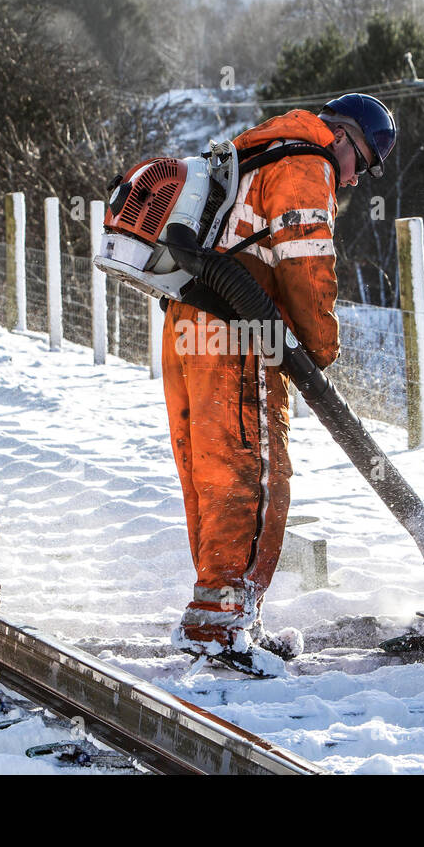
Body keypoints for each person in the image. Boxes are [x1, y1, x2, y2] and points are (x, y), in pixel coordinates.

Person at [162, 93, 397, 671]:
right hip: (239, 332)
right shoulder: (305, 161)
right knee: (255, 475)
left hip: (189, 325)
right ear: (342, 137)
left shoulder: (254, 150)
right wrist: (318, 349)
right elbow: (306, 264)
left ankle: (216, 614)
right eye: (358, 165)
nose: (352, 181)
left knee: (211, 472)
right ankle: (227, 627)